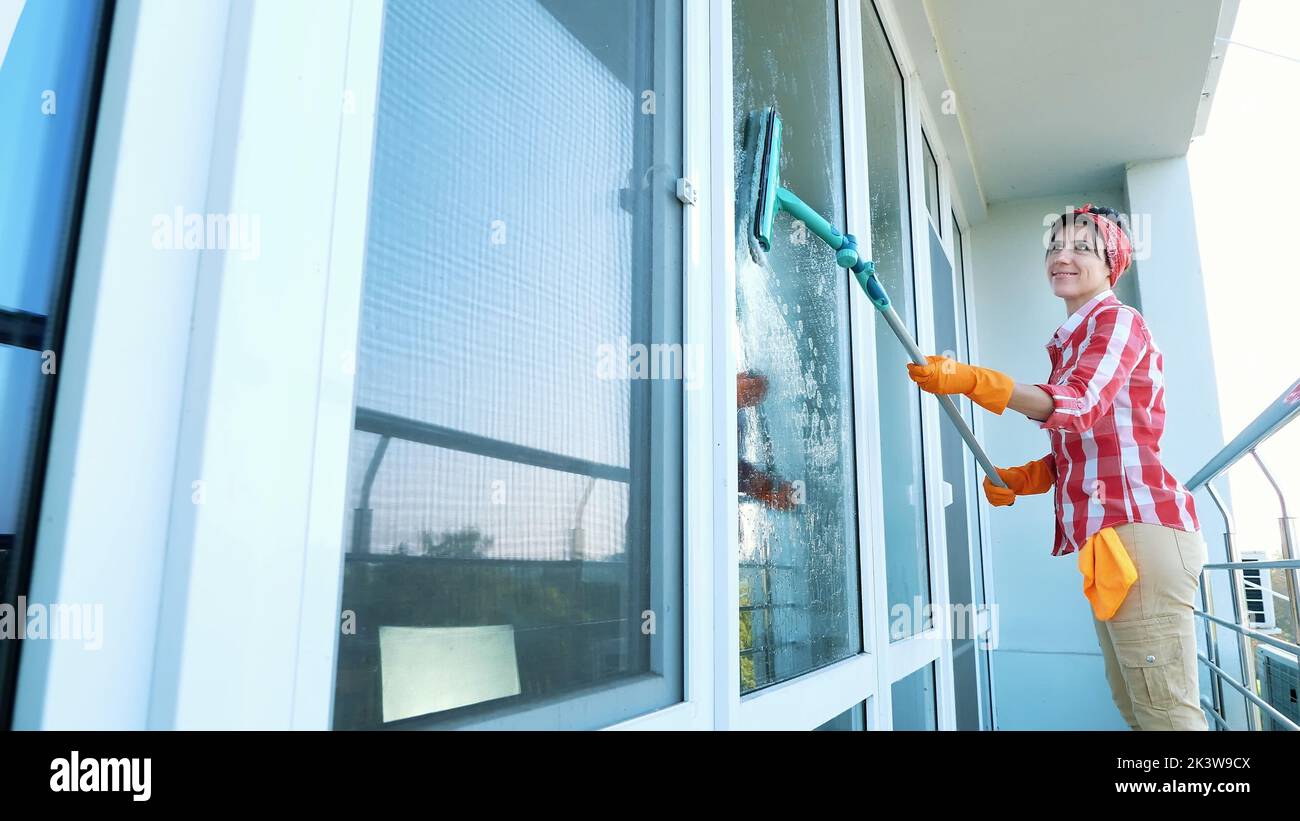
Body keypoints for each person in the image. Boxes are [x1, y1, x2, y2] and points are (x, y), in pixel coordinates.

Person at [905, 204, 1208, 731]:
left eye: (1081, 248)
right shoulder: (1075, 340)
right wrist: (1026, 479)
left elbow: (1080, 403)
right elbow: (1088, 444)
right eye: (1054, 246)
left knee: (1167, 718)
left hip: (1142, 534)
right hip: (1112, 544)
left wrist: (978, 382)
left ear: (1112, 262)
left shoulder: (1117, 321)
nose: (1060, 256)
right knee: (1138, 709)